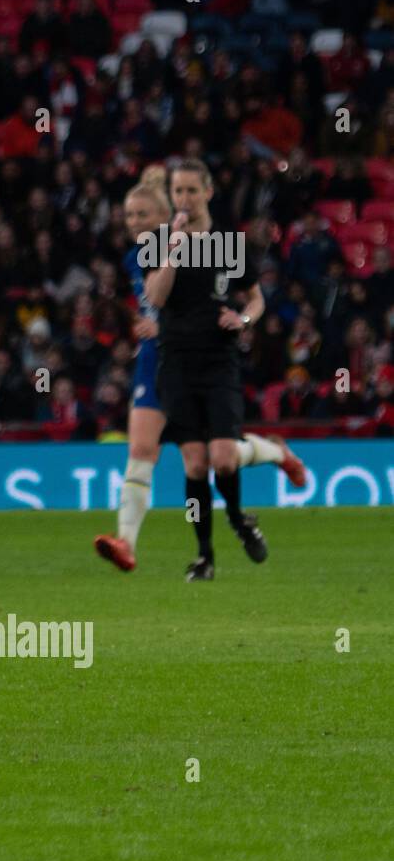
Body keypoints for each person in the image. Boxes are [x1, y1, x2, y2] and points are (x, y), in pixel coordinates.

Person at [95, 164, 306, 576]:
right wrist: (173, 248)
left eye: (192, 190)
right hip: (171, 362)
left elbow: (254, 298)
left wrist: (244, 321)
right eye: (179, 191)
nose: (185, 199)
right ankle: (188, 551)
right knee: (180, 461)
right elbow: (154, 296)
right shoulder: (156, 245)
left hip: (217, 362)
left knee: (222, 459)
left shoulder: (229, 243)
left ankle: (263, 474)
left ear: (207, 192)